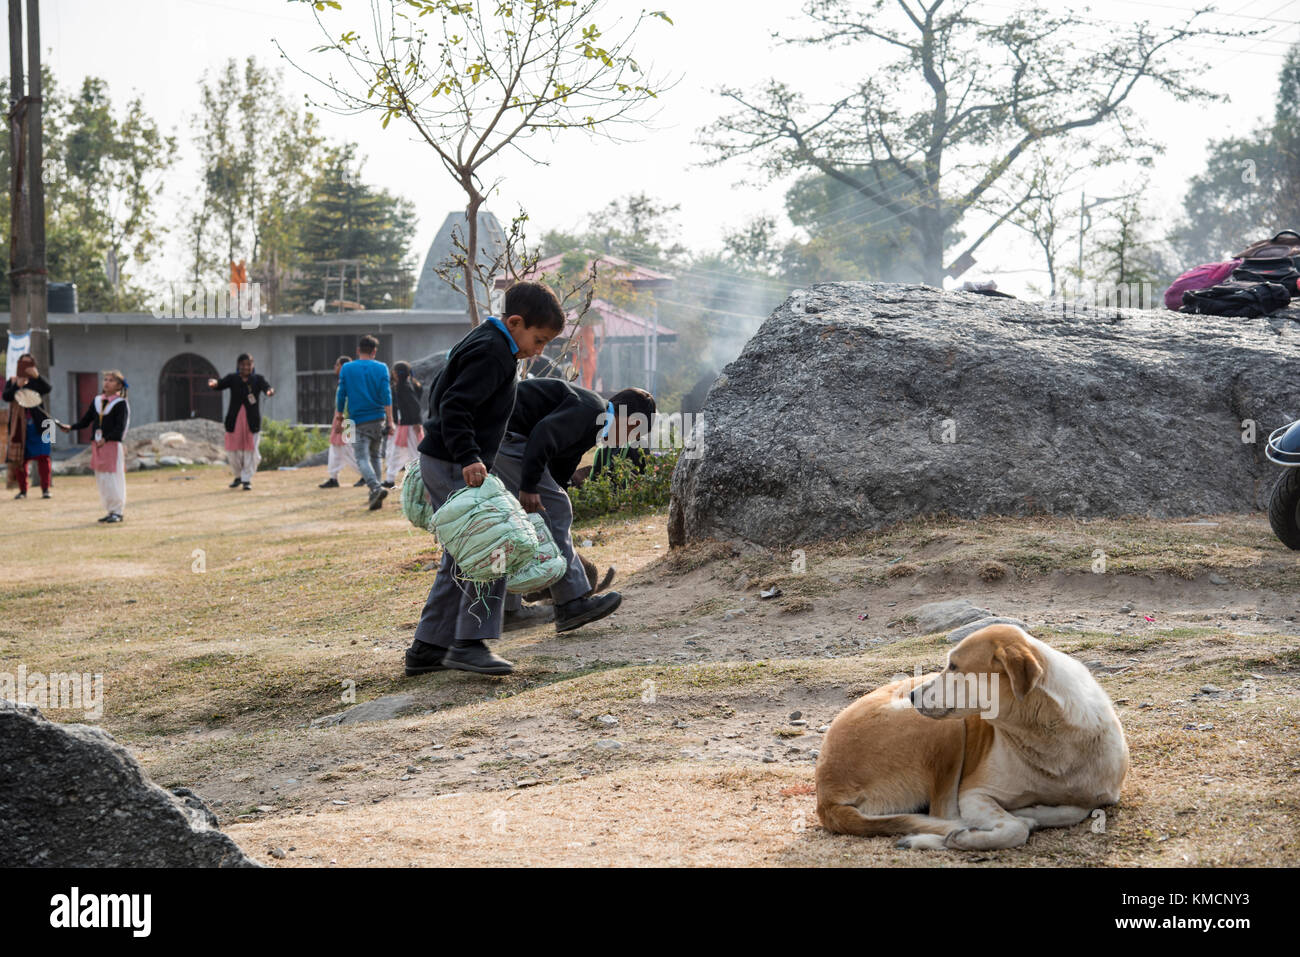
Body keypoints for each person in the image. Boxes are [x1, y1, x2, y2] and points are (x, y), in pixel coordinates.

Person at [404, 281, 566, 678]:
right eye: (539, 339)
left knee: (462, 554)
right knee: (491, 543)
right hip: (452, 461)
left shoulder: (492, 343)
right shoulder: (493, 352)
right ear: (515, 322)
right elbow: (454, 406)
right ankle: (469, 642)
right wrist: (469, 456)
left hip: (448, 459)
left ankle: (428, 647)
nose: (540, 350)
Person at [493, 382, 657, 633]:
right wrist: (530, 487)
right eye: (634, 435)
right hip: (506, 438)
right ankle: (571, 603)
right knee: (554, 510)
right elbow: (543, 435)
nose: (628, 442)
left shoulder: (594, 419)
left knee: (518, 521)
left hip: (495, 436)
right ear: (632, 422)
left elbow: (562, 462)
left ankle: (507, 610)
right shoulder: (591, 409)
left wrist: (557, 491)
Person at [59, 370, 130, 523]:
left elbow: (121, 427)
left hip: (111, 445)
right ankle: (110, 510)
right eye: (105, 379)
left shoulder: (120, 404)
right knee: (102, 478)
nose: (106, 382)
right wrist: (71, 427)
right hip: (97, 445)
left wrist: (108, 438)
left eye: (111, 380)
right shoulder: (98, 401)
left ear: (119, 386)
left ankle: (117, 511)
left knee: (113, 478)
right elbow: (86, 421)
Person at [335, 334, 394, 510]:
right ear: (374, 351)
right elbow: (387, 395)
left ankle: (375, 488)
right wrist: (390, 421)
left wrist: (339, 417)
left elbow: (341, 394)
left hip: (355, 419)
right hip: (378, 419)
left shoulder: (347, 368)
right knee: (375, 456)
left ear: (358, 350)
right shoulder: (382, 368)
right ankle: (374, 495)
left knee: (361, 457)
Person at [209, 354, 275, 490]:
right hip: (234, 422)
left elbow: (267, 387)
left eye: (248, 364)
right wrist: (214, 383)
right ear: (238, 365)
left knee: (250, 451)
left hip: (252, 422)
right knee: (234, 452)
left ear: (253, 365)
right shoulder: (232, 378)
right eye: (243, 364)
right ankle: (238, 476)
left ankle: (246, 480)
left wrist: (269, 391)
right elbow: (220, 384)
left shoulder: (257, 379)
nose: (246, 367)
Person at [4, 353, 54, 499]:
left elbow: (47, 388)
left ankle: (45, 489)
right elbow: (6, 396)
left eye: (29, 364)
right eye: (23, 364)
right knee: (21, 459)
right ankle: (23, 491)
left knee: (44, 457)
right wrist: (16, 386)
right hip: (19, 426)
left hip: (42, 425)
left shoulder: (37, 381)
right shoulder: (13, 381)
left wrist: (37, 376)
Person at [319, 356, 362, 489]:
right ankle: (333, 477)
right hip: (340, 419)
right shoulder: (345, 381)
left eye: (337, 365)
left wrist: (341, 421)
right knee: (335, 449)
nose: (335, 367)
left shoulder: (349, 383)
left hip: (346, 421)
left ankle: (365, 474)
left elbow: (346, 404)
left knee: (349, 449)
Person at [383, 361, 424, 488]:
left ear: (396, 373)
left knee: (414, 453)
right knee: (400, 452)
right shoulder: (410, 384)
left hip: (410, 425)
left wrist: (417, 422)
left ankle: (421, 478)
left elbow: (414, 406)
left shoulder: (403, 387)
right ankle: (390, 479)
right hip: (406, 424)